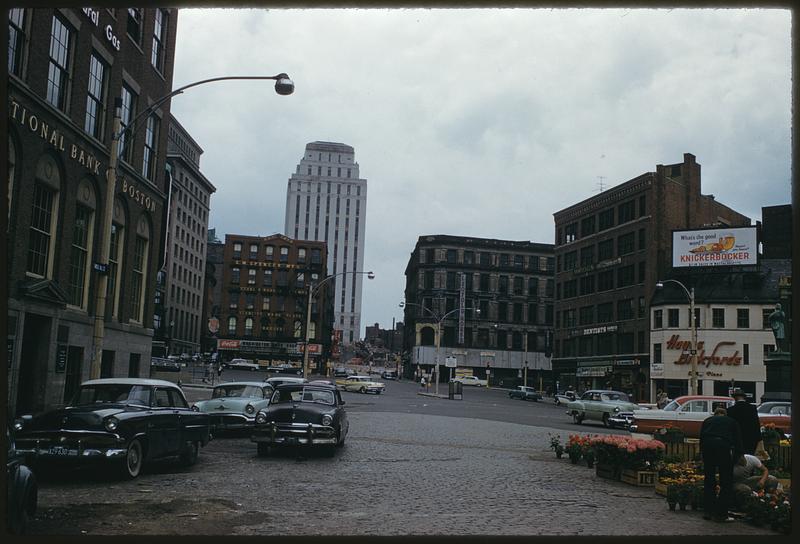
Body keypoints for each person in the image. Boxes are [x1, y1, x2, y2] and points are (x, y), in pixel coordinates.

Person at [700, 407, 743, 522]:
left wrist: (702, 455)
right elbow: (738, 441)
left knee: (709, 479)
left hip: (708, 447)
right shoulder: (732, 422)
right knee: (726, 481)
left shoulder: (708, 421)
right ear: (725, 414)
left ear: (715, 414)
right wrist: (736, 458)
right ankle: (721, 514)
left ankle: (708, 511)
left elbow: (702, 438)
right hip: (723, 447)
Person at [726, 388, 761, 455]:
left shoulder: (730, 410)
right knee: (749, 458)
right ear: (744, 397)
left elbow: (729, 426)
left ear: (735, 398)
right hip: (751, 438)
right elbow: (756, 424)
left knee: (738, 459)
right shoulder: (752, 408)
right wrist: (758, 438)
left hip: (736, 439)